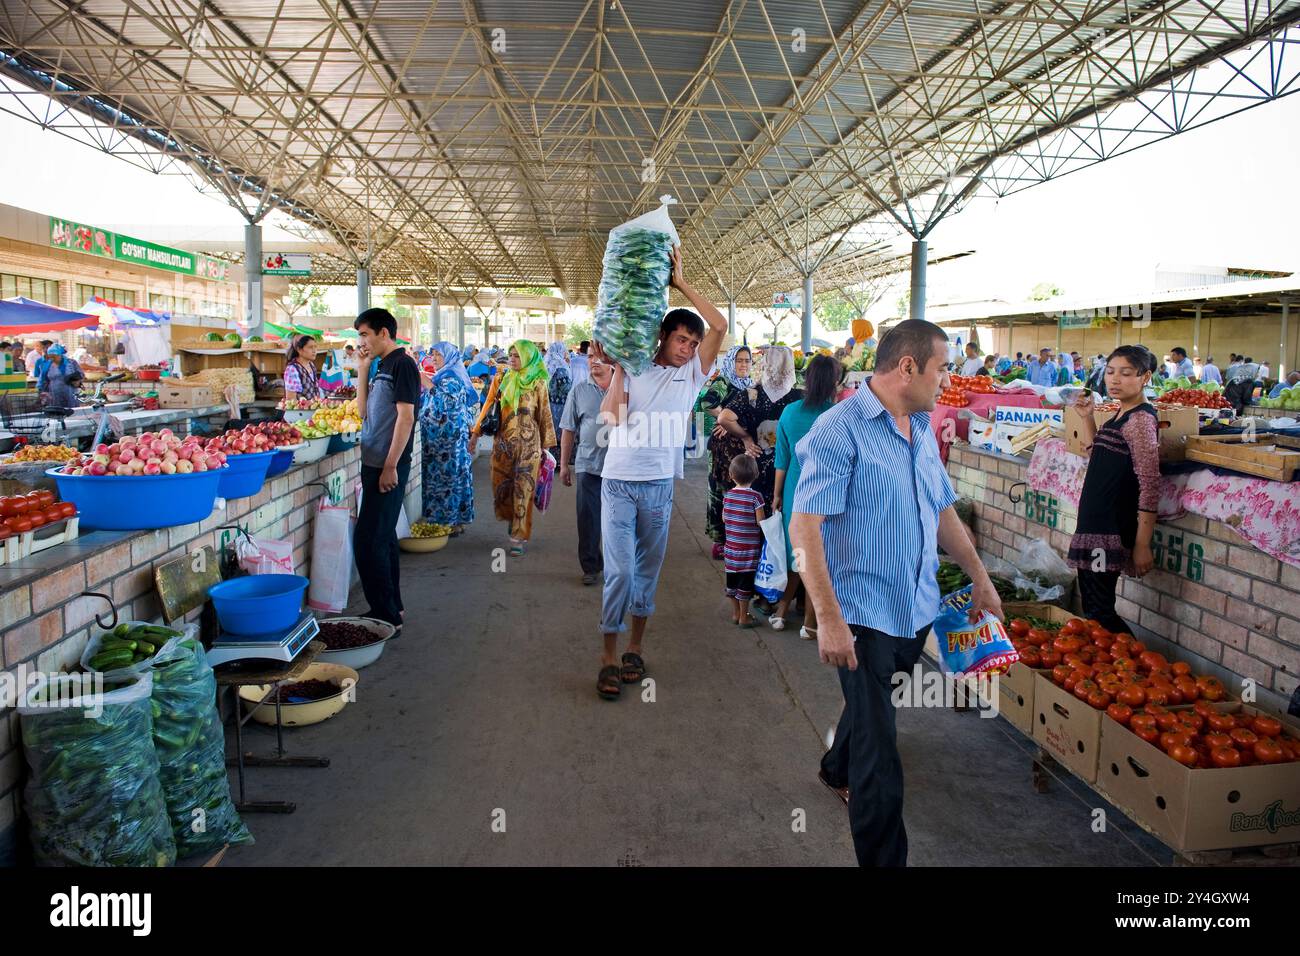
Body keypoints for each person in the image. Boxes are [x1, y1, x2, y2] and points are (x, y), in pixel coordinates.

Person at [789, 318, 1002, 867]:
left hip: (915, 610)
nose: (948, 377)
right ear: (908, 367)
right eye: (943, 367)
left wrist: (979, 576)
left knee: (873, 706)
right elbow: (804, 527)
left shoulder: (921, 425)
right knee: (881, 756)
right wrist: (830, 620)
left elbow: (941, 510)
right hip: (862, 616)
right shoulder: (838, 431)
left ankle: (835, 766)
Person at [591, 246, 725, 701]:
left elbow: (721, 326)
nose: (688, 348)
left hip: (659, 490)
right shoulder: (634, 368)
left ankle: (633, 648)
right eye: (681, 340)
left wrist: (681, 282)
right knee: (621, 573)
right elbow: (611, 420)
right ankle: (607, 654)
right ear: (664, 336)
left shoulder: (691, 377)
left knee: (647, 573)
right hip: (619, 485)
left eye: (693, 342)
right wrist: (617, 374)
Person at [1066, 346, 1160, 636]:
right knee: (1096, 608)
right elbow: (1104, 457)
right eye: (1110, 372)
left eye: (1125, 373)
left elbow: (1150, 483)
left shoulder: (1141, 420)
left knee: (1099, 612)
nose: (1114, 379)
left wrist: (1142, 543)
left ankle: (1138, 671)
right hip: (1095, 524)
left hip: (1109, 529)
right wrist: (1087, 418)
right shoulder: (1121, 414)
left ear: (1145, 377)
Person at [352, 308, 420, 634]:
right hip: (374, 463)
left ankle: (385, 615)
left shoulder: (404, 364)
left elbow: (405, 418)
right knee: (384, 539)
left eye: (365, 334)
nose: (361, 341)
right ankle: (393, 608)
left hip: (387, 465)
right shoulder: (382, 365)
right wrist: (363, 368)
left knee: (368, 542)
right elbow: (364, 412)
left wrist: (390, 465)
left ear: (383, 332)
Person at [771, 354, 839, 638]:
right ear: (833, 382)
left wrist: (776, 496)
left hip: (792, 491)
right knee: (816, 558)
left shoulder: (789, 412)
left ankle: (781, 612)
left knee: (797, 554)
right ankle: (811, 623)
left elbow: (781, 459)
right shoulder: (835, 414)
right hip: (824, 493)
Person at [469, 340, 555, 557]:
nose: (512, 360)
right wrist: (475, 435)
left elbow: (544, 415)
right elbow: (488, 405)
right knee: (502, 487)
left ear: (528, 357)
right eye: (511, 355)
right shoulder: (502, 378)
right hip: (502, 446)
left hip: (529, 447)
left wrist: (546, 448)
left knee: (523, 489)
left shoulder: (538, 382)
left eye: (517, 356)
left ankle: (518, 535)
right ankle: (512, 517)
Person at [714, 345, 802, 513]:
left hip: (758, 464)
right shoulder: (799, 396)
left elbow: (724, 418)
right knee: (784, 516)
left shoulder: (752, 394)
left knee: (757, 516)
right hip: (789, 466)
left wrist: (746, 438)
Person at [559, 354, 614, 585]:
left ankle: (616, 566)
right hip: (588, 465)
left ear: (611, 361)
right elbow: (568, 429)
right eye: (591, 356)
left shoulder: (626, 386)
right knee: (588, 519)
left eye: (600, 357)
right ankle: (590, 567)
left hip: (620, 469)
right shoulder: (579, 390)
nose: (594, 361)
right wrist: (564, 465)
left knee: (616, 521)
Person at [418, 341, 478, 536]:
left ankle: (446, 522)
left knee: (446, 480)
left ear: (449, 357)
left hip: (447, 442)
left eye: (438, 355)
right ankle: (456, 521)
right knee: (453, 477)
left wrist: (426, 383)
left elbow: (446, 403)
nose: (433, 358)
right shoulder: (445, 375)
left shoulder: (451, 377)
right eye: (432, 354)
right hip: (442, 439)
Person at [698, 345, 753, 560]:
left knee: (738, 492)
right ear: (731, 361)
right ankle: (720, 541)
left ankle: (736, 538)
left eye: (747, 360)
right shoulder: (724, 382)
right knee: (720, 492)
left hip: (740, 447)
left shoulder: (750, 384)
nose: (743, 364)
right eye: (739, 360)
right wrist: (727, 417)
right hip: (722, 449)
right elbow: (706, 402)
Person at [722, 454, 766, 628]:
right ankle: (744, 617)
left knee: (732, 583)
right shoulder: (756, 497)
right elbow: (760, 522)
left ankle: (735, 613)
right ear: (755, 475)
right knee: (745, 585)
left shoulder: (728, 496)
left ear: (731, 475)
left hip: (731, 550)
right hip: (748, 551)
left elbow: (725, 519)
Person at [544, 341, 571, 455]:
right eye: (564, 350)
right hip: (560, 407)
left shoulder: (546, 365)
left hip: (549, 404)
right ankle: (559, 461)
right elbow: (566, 389)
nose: (566, 353)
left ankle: (550, 459)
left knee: (552, 434)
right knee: (560, 434)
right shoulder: (561, 369)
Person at [283, 334, 322, 401]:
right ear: (299, 350)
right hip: (299, 411)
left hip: (313, 409)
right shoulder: (292, 369)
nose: (314, 350)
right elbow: (291, 399)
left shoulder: (311, 365)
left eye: (315, 347)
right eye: (310, 347)